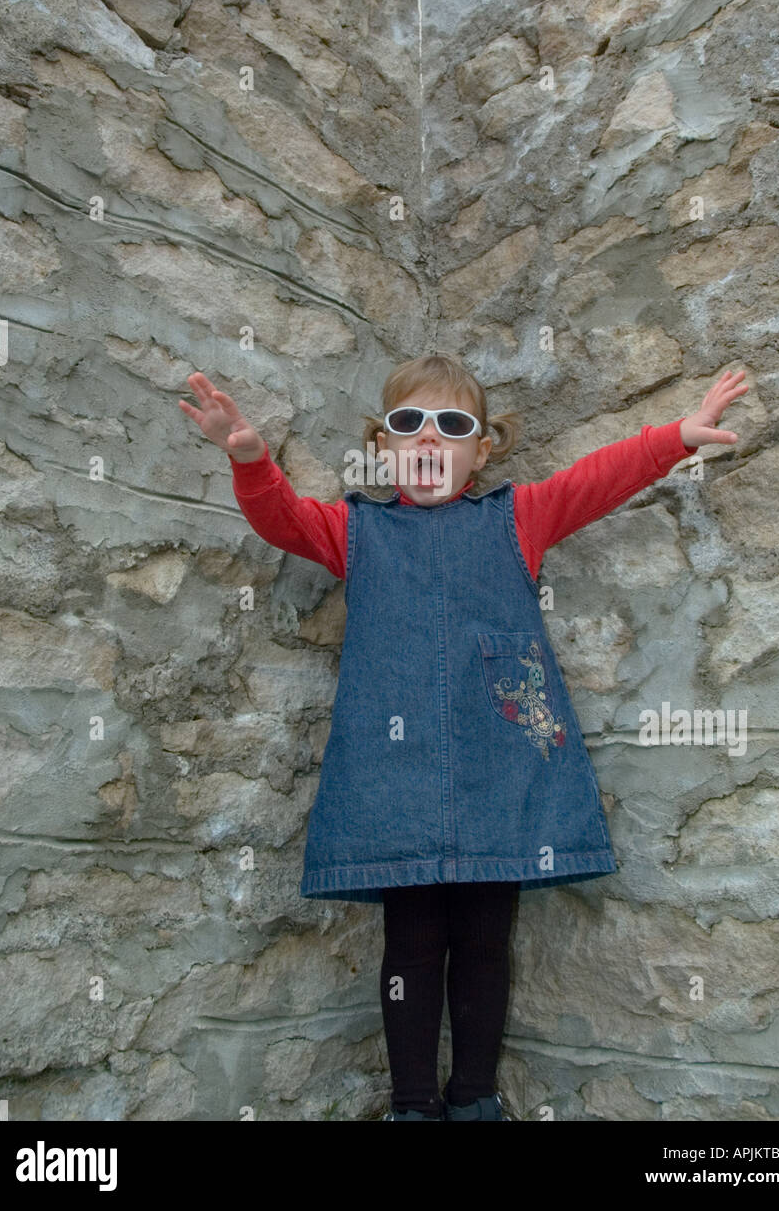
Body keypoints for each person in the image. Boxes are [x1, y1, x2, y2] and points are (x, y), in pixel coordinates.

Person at [179, 354, 747, 1121]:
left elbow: (594, 479)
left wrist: (677, 435)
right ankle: (413, 1103)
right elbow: (282, 520)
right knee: (411, 945)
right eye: (409, 424)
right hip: (398, 773)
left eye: (453, 426)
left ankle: (475, 1096)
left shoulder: (518, 517)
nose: (429, 439)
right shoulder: (356, 528)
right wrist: (249, 458)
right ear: (383, 445)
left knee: (486, 942)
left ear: (482, 450)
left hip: (503, 766)